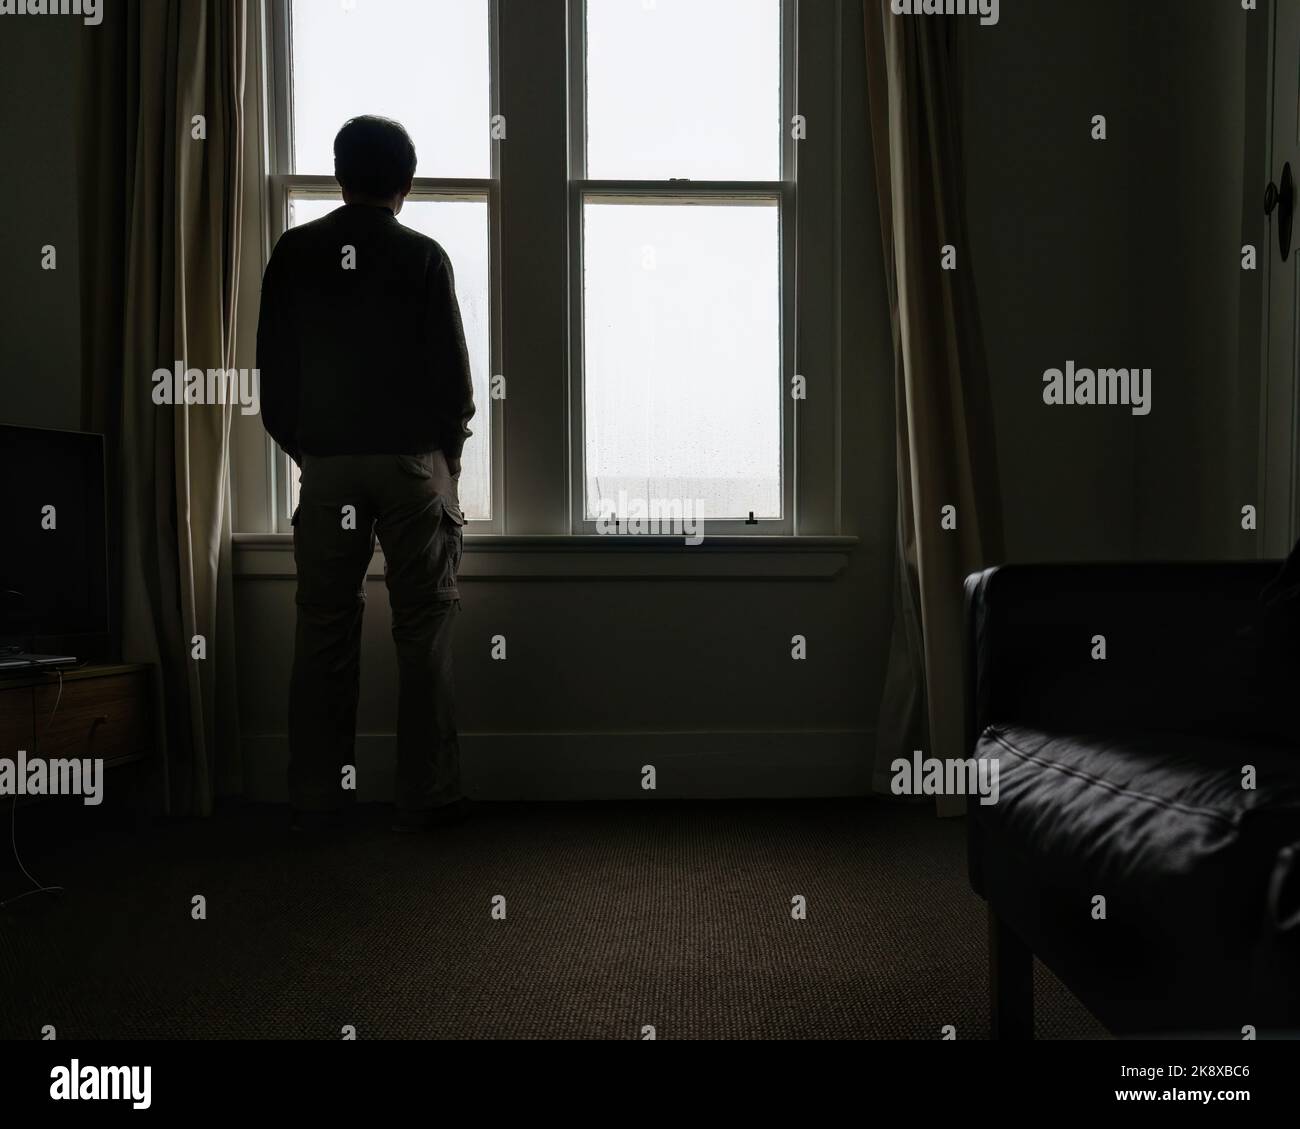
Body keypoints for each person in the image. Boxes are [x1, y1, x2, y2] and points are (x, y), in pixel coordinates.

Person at [256, 115, 475, 833]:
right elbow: (455, 385)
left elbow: (275, 383)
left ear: (339, 174)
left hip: (328, 465)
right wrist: (448, 465)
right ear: (405, 185)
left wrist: (311, 456)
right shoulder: (423, 257)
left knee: (323, 626)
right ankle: (427, 794)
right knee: (423, 630)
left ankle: (317, 795)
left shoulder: (294, 252)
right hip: (410, 463)